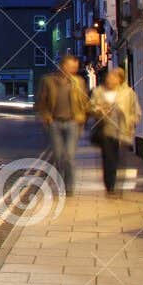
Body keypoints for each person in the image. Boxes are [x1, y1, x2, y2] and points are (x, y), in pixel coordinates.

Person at [35, 53, 89, 193]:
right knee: (59, 156)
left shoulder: (79, 82)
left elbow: (84, 102)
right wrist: (46, 116)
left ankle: (69, 188)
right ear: (62, 66)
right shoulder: (48, 81)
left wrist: (82, 116)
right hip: (55, 123)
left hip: (73, 123)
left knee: (69, 157)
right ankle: (60, 185)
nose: (74, 70)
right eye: (71, 67)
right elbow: (41, 101)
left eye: (75, 68)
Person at [90, 67, 142, 196]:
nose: (110, 79)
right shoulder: (99, 91)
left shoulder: (128, 93)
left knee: (120, 160)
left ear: (120, 79)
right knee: (108, 158)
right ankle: (110, 185)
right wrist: (99, 110)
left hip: (123, 131)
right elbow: (90, 107)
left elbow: (136, 111)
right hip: (106, 130)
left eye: (114, 77)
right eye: (109, 76)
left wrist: (131, 121)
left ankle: (117, 184)